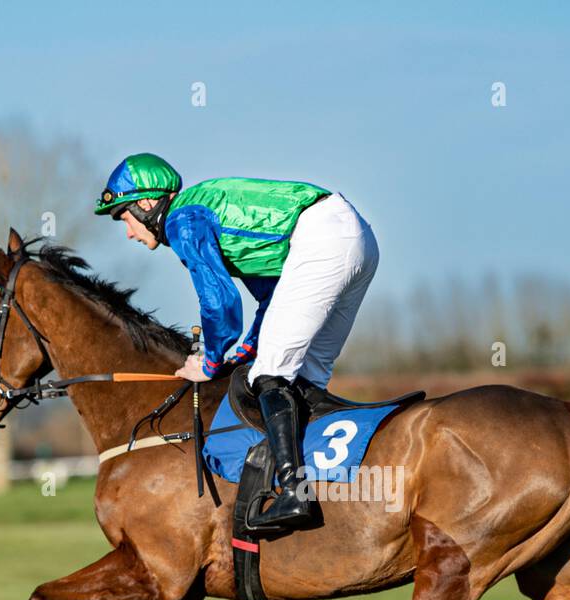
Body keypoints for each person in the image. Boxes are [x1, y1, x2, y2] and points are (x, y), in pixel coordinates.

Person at [95, 153, 379, 530]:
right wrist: (245, 350)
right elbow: (270, 297)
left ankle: (296, 494)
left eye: (124, 217)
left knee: (271, 376)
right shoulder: (203, 210)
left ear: (146, 203)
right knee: (304, 376)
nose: (128, 232)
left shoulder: (183, 220)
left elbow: (220, 301)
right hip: (357, 238)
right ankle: (323, 483)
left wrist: (209, 362)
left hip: (323, 239)